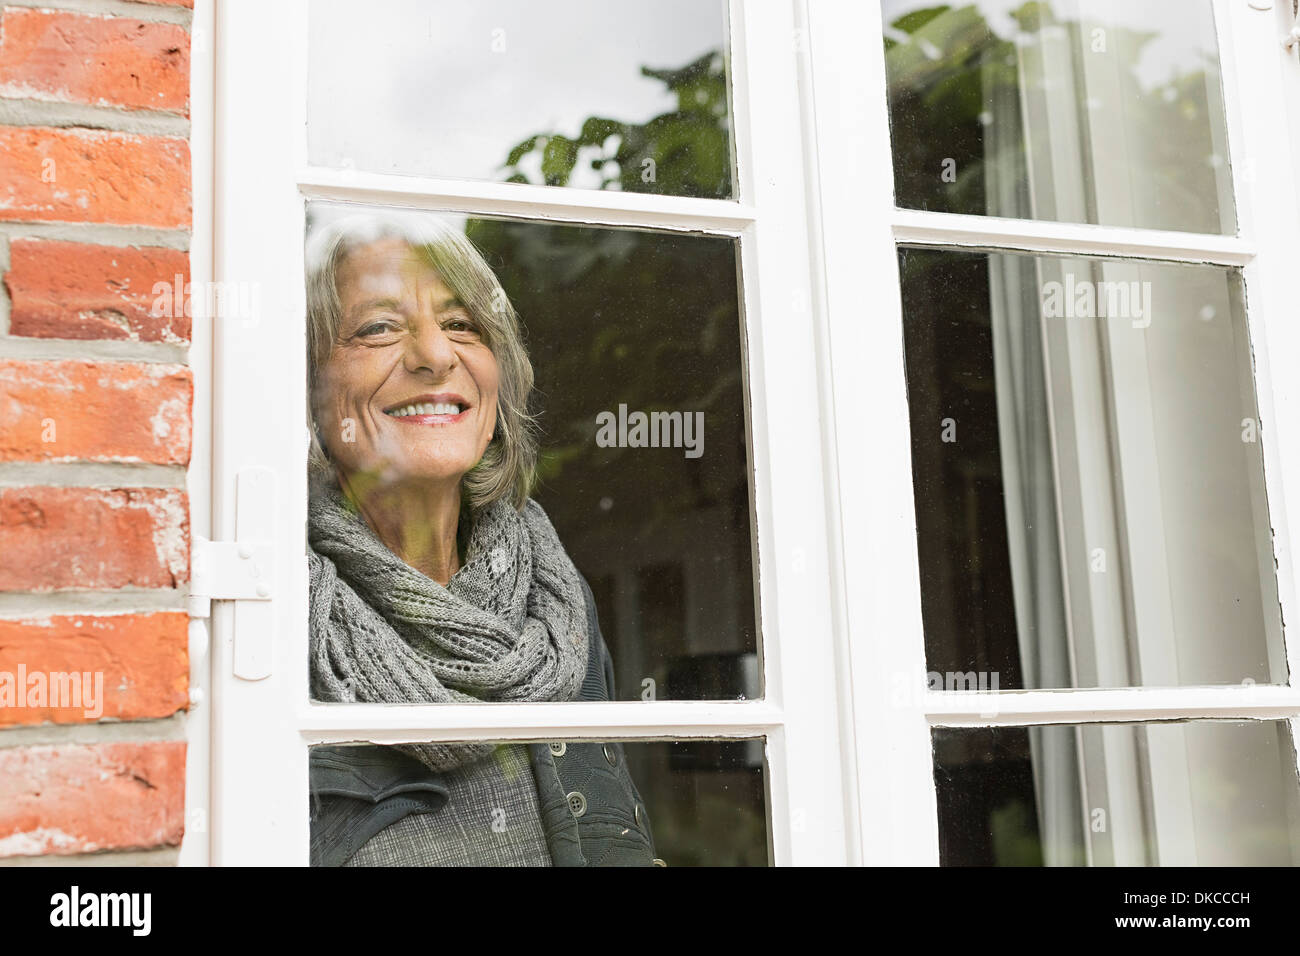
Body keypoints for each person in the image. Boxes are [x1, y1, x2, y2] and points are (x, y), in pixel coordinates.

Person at [304, 210, 660, 866]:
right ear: (307, 390)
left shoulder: (555, 599)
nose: (436, 356)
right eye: (378, 327)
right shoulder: (279, 616)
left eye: (462, 325)